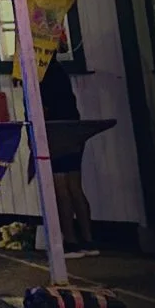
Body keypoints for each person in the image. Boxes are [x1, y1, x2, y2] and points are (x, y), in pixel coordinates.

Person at [38, 59, 96, 257]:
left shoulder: (39, 76)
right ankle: (88, 240)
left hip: (55, 132)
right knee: (75, 187)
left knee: (61, 190)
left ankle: (70, 241)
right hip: (73, 129)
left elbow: (41, 110)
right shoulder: (60, 72)